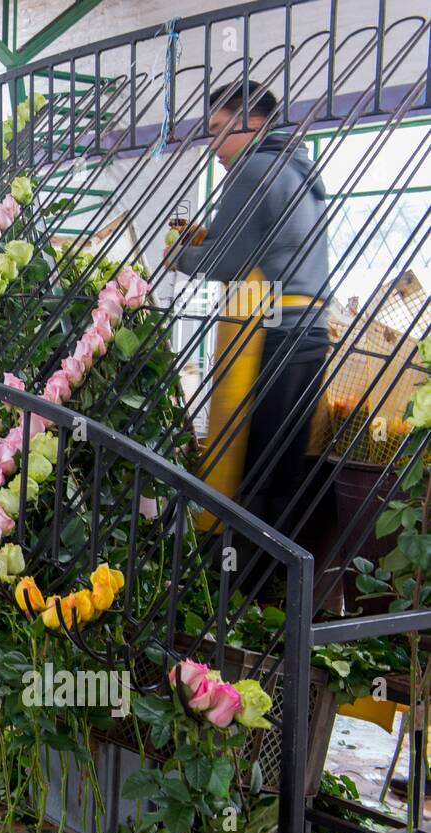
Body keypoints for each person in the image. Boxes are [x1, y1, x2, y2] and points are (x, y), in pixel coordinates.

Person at [166, 80, 332, 538]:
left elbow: (227, 260)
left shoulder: (252, 168)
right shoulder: (296, 168)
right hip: (311, 334)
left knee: (251, 469)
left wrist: (179, 254)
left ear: (250, 122)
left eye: (219, 129)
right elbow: (258, 242)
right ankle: (280, 586)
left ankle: (240, 584)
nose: (213, 145)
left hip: (273, 337)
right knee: (282, 469)